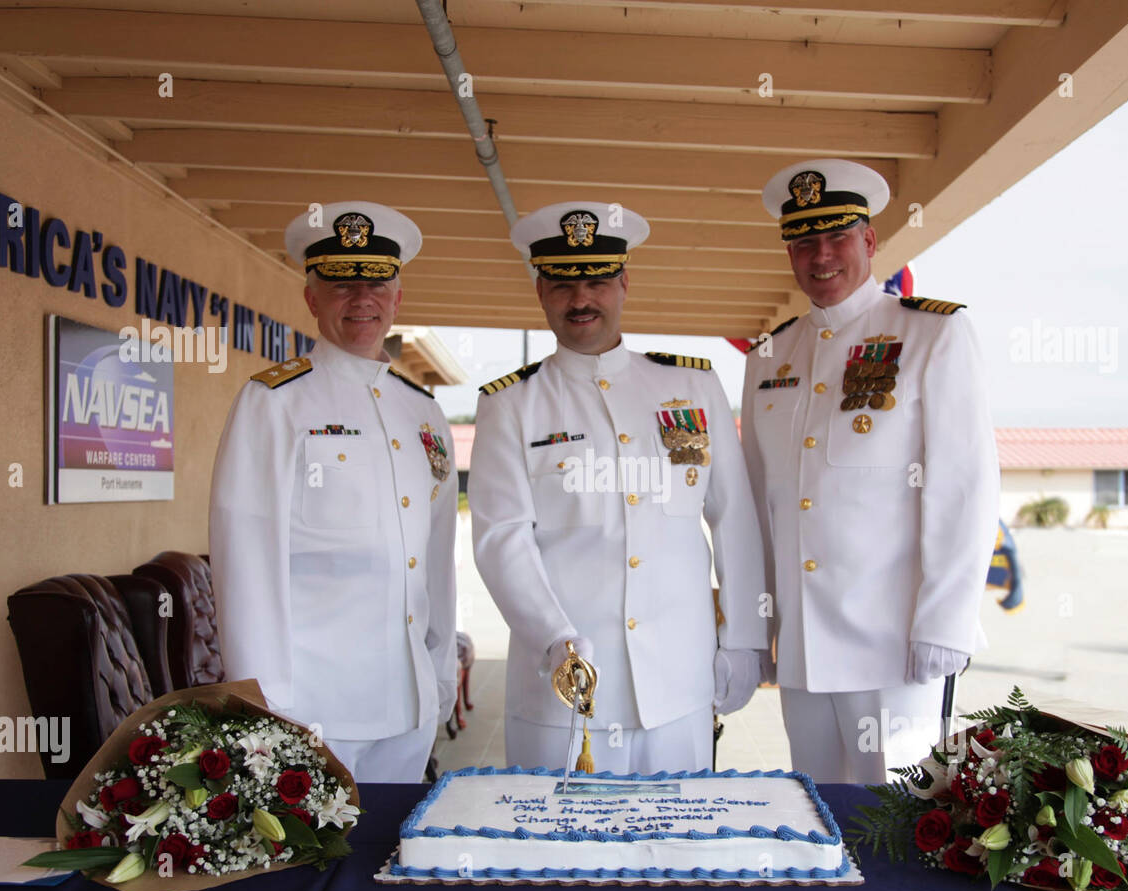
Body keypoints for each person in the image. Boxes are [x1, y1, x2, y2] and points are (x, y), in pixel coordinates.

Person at [470, 202, 767, 773]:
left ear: (624, 282)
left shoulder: (691, 386)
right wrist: (553, 638)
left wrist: (746, 639)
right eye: (561, 284)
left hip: (679, 685)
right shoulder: (510, 404)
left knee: (676, 852)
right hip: (562, 687)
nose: (581, 299)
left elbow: (734, 518)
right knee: (555, 856)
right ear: (540, 292)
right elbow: (501, 538)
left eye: (597, 281)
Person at [742, 159, 1000, 783]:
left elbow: (964, 487)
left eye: (836, 237)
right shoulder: (769, 356)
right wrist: (760, 627)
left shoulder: (932, 333)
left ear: (869, 242)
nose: (820, 255)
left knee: (899, 825)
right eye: (804, 242)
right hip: (803, 646)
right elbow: (758, 505)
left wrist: (946, 620)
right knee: (821, 814)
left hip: (896, 647)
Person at [209, 201, 457, 783]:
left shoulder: (422, 412)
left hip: (409, 702)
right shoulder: (274, 401)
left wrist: (440, 671)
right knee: (311, 869)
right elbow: (244, 557)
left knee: (390, 862)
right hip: (315, 709)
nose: (361, 299)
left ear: (397, 298)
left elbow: (437, 558)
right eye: (341, 284)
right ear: (311, 298)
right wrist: (264, 706)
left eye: (377, 283)